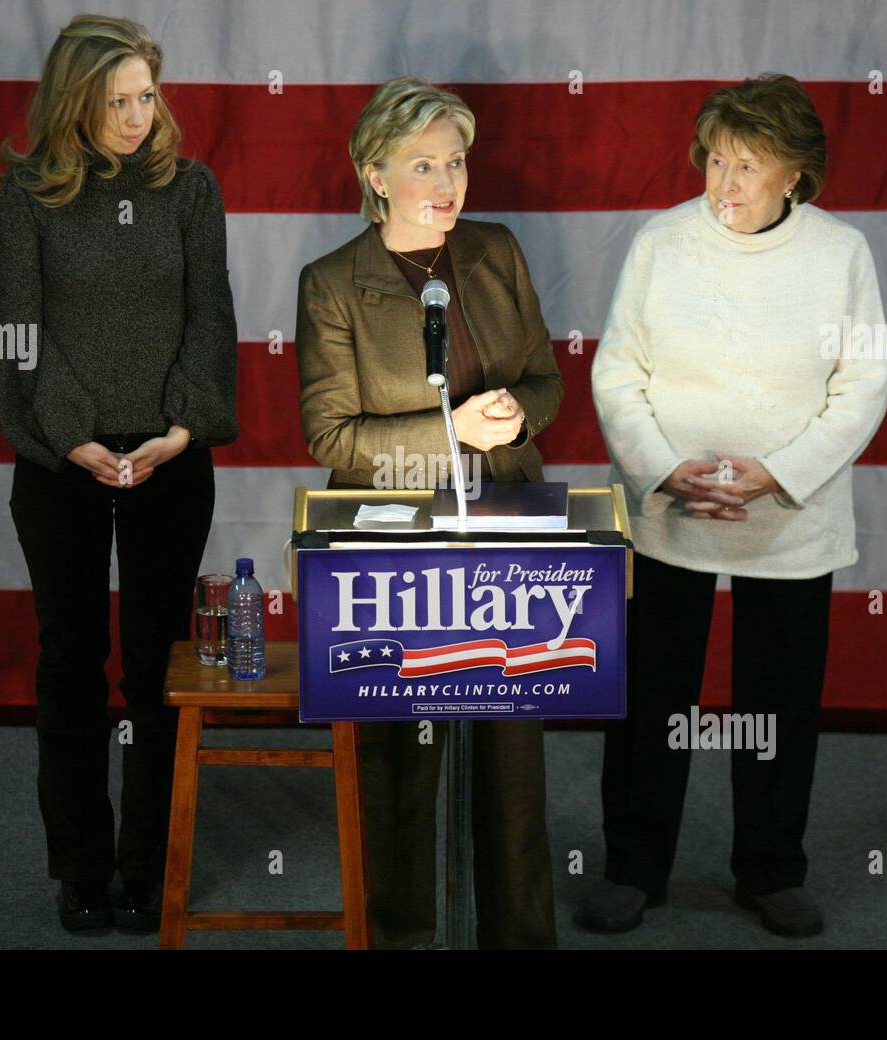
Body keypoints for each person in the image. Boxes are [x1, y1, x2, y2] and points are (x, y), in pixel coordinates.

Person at [583, 73, 887, 938]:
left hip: (791, 519)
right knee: (652, 697)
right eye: (715, 160)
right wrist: (661, 467)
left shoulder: (842, 254)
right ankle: (633, 867)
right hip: (670, 510)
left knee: (779, 699)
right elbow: (618, 371)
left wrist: (782, 472)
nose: (723, 183)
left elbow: (863, 386)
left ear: (796, 173)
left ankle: (770, 871)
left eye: (747, 165)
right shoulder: (661, 242)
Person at [295, 76, 564, 948]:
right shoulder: (333, 283)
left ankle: (518, 936)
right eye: (423, 165)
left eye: (456, 162)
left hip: (507, 529)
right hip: (392, 547)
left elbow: (546, 382)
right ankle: (401, 932)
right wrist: (446, 426)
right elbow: (331, 435)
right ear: (375, 174)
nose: (447, 183)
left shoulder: (497, 250)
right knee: (400, 762)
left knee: (510, 758)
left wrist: (518, 412)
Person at [0, 14, 238, 933]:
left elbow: (210, 318)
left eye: (146, 96)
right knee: (72, 665)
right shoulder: (29, 194)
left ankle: (150, 867)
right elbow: (20, 329)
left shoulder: (189, 188)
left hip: (170, 461)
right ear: (74, 105)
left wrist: (176, 431)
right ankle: (82, 869)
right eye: (117, 102)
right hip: (64, 465)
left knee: (158, 667)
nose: (138, 117)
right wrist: (79, 436)